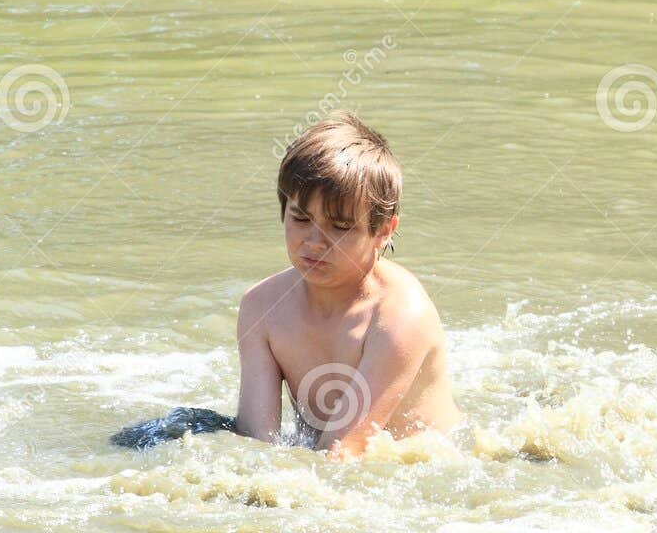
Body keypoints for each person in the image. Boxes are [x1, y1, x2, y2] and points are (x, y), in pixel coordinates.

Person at [112, 112, 463, 458]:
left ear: (383, 231)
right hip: (325, 449)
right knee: (156, 436)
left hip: (427, 467)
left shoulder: (399, 318)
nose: (315, 241)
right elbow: (256, 441)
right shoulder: (262, 306)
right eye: (301, 218)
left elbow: (343, 454)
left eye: (340, 226)